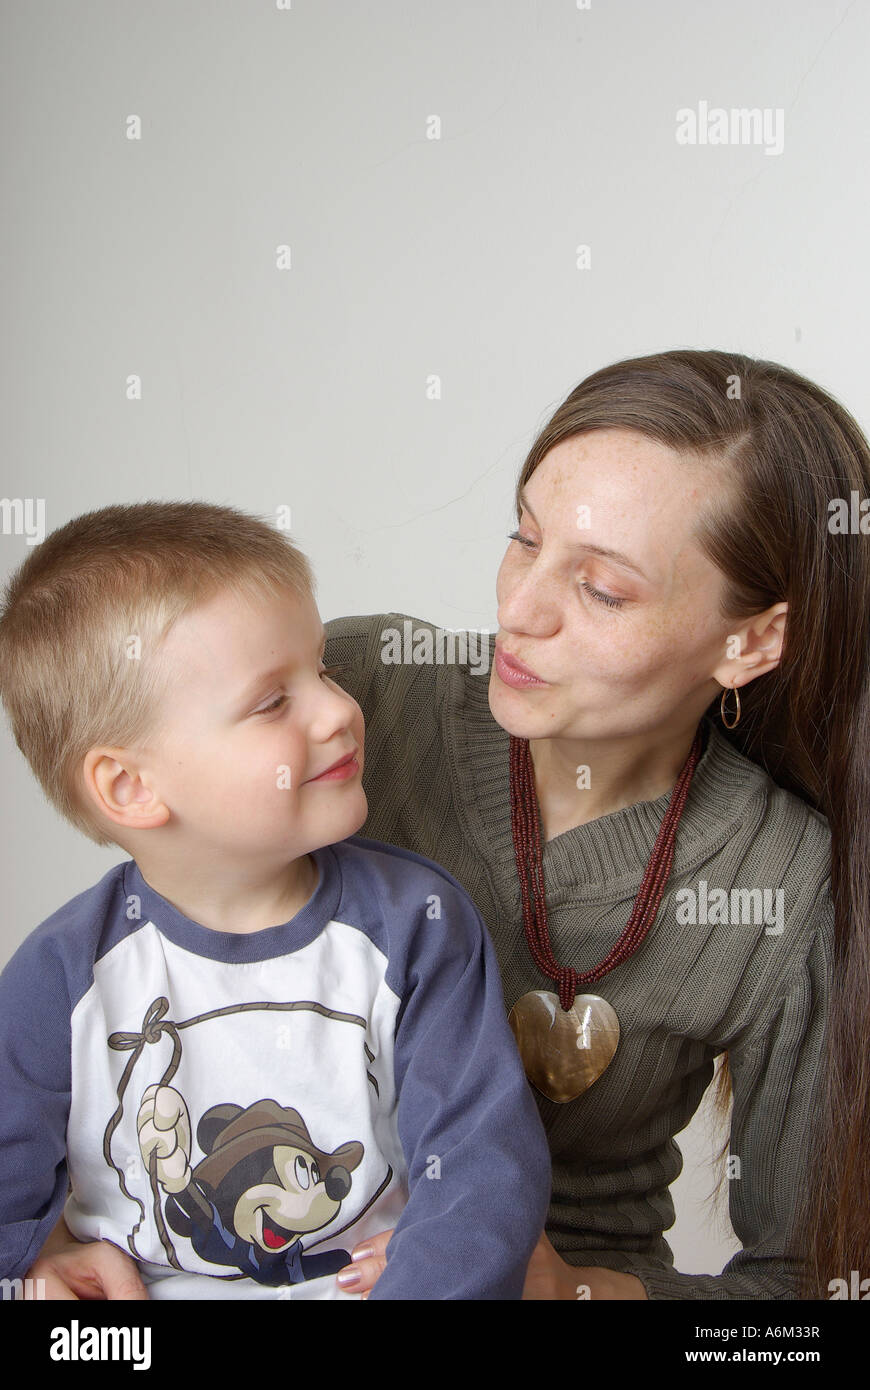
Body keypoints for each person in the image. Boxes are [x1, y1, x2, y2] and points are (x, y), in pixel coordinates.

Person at [21, 347, 870, 1300]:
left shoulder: (792, 890)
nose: (520, 610)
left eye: (602, 589)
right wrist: (47, 1247)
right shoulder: (353, 694)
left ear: (749, 639)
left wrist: (578, 1293)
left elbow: (804, 1308)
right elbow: (133, 989)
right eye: (524, 537)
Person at [0, 501, 552, 1301]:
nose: (339, 710)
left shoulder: (415, 926)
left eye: (322, 669)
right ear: (131, 787)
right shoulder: (65, 973)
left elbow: (483, 1164)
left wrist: (431, 1277)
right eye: (272, 702)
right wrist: (39, 1265)